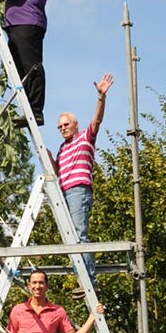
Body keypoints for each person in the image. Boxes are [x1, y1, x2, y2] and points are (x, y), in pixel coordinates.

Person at [49, 74, 114, 295]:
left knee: (79, 235)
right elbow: (57, 171)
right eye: (59, 127)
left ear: (75, 125)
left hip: (78, 190)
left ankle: (89, 281)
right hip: (64, 192)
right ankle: (83, 278)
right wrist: (47, 156)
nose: (63, 129)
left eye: (66, 125)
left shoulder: (85, 137)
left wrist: (101, 97)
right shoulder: (62, 148)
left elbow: (97, 120)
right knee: (71, 238)